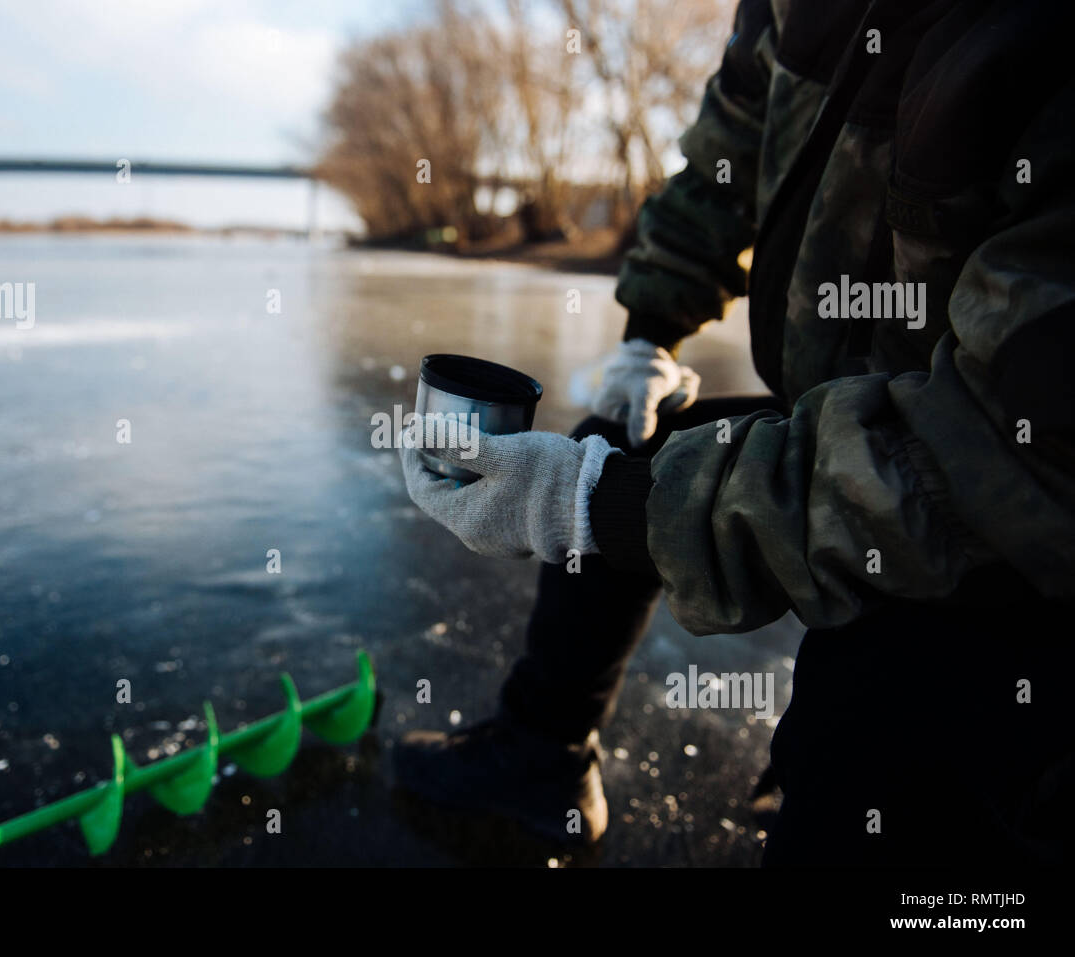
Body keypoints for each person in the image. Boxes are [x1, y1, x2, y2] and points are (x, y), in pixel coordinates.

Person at [395, 0, 1075, 867]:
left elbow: (995, 461)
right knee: (629, 445)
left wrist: (595, 503)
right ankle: (542, 756)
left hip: (1020, 543)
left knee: (856, 737)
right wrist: (649, 330)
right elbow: (733, 142)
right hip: (855, 410)